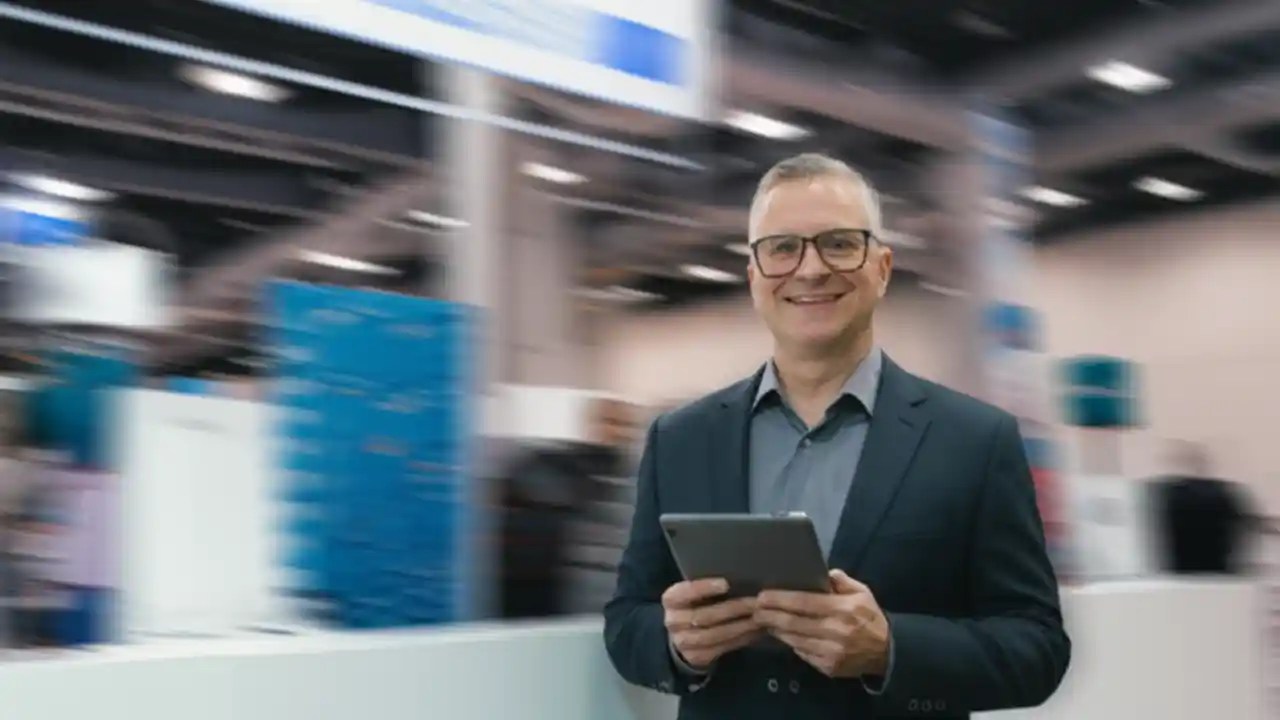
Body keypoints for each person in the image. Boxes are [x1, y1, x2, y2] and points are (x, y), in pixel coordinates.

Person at [603, 153, 1070, 719]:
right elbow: (627, 621)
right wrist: (675, 644)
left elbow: (1037, 646)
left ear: (883, 266)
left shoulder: (975, 441)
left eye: (840, 243)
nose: (810, 269)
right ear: (754, 278)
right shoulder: (680, 439)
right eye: (782, 248)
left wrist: (891, 649)